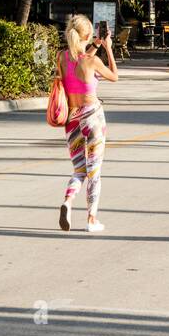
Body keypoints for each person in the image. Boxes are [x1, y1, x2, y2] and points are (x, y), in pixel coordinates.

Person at [56, 14, 119, 233]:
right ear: (87, 34)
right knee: (94, 172)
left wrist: (94, 45)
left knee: (79, 170)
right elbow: (114, 76)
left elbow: (77, 63)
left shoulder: (62, 57)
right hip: (92, 117)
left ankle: (68, 200)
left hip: (72, 120)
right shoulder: (93, 61)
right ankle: (91, 219)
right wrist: (108, 47)